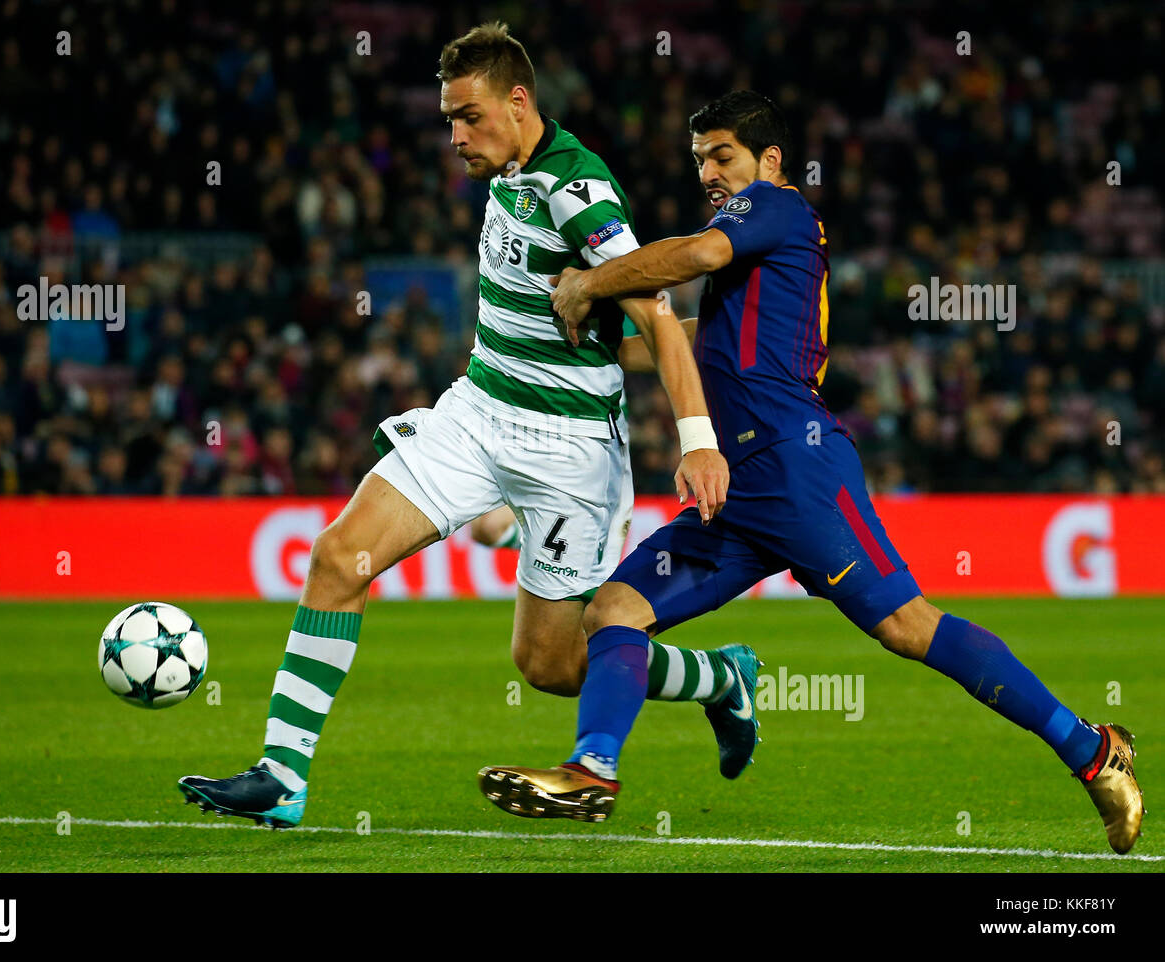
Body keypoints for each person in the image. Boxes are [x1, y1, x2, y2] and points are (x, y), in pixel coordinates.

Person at [478, 91, 1143, 855]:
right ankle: (593, 770)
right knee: (613, 611)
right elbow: (677, 342)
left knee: (907, 626)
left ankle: (1093, 751)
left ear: (769, 160)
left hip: (798, 470)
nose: (709, 174)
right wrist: (572, 337)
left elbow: (694, 256)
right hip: (730, 492)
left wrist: (595, 281)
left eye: (721, 156)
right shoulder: (752, 263)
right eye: (698, 160)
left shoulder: (778, 209)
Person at [176, 23, 741, 829]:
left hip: (569, 451)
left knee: (551, 665)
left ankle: (720, 678)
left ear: (518, 103)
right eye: (448, 120)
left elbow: (652, 316)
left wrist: (698, 439)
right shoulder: (506, 171)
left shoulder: (579, 192)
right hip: (475, 416)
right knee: (340, 556)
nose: (456, 137)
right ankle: (283, 773)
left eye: (469, 116)